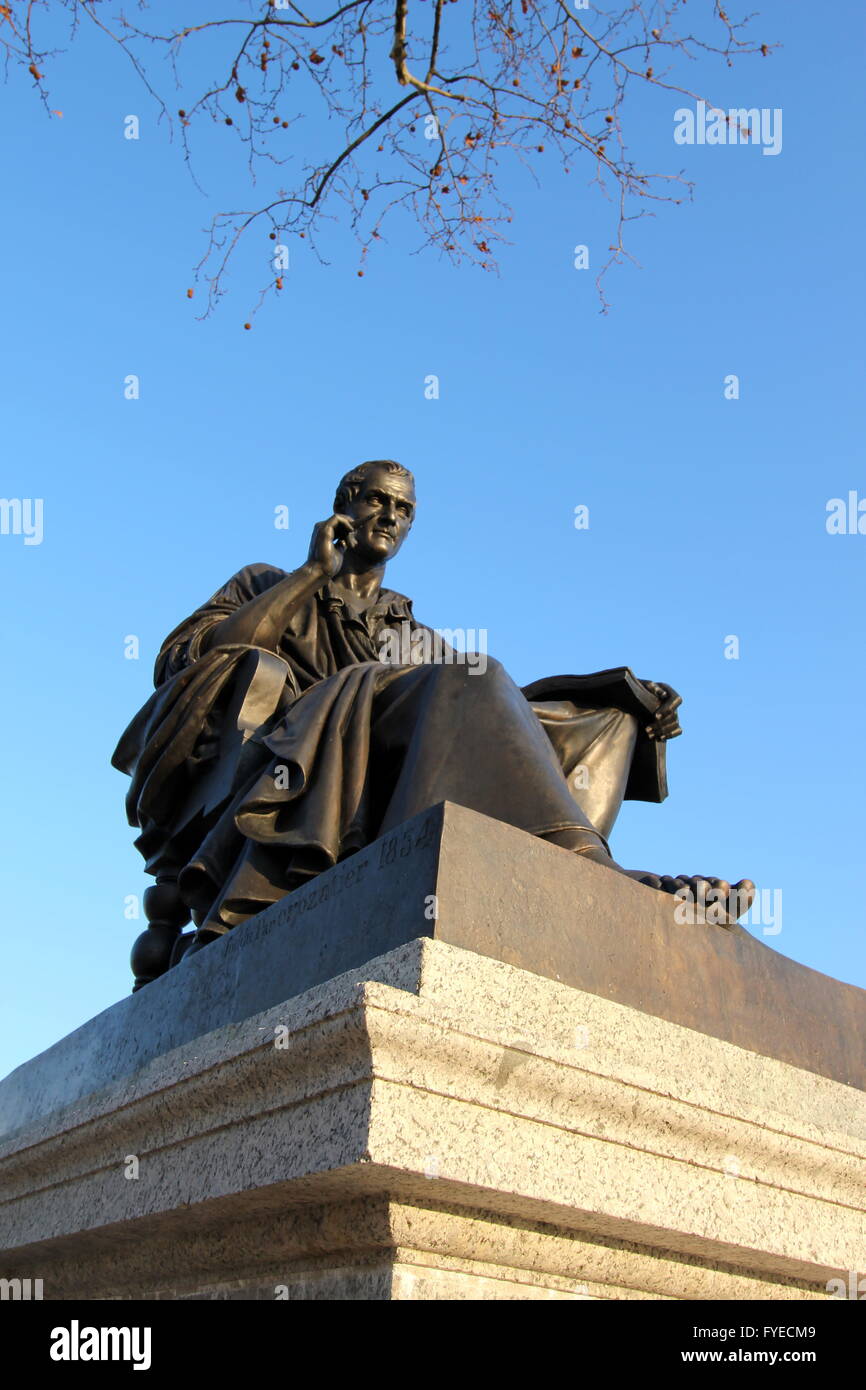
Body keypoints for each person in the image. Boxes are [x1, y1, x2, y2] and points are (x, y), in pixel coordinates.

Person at [114, 459, 753, 987]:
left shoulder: (410, 635)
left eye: (405, 509)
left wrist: (623, 700)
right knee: (464, 675)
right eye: (378, 501)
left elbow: (499, 714)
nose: (392, 517)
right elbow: (194, 658)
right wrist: (313, 575)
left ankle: (569, 869)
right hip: (292, 755)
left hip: (387, 757)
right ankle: (594, 876)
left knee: (585, 716)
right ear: (344, 503)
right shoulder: (267, 580)